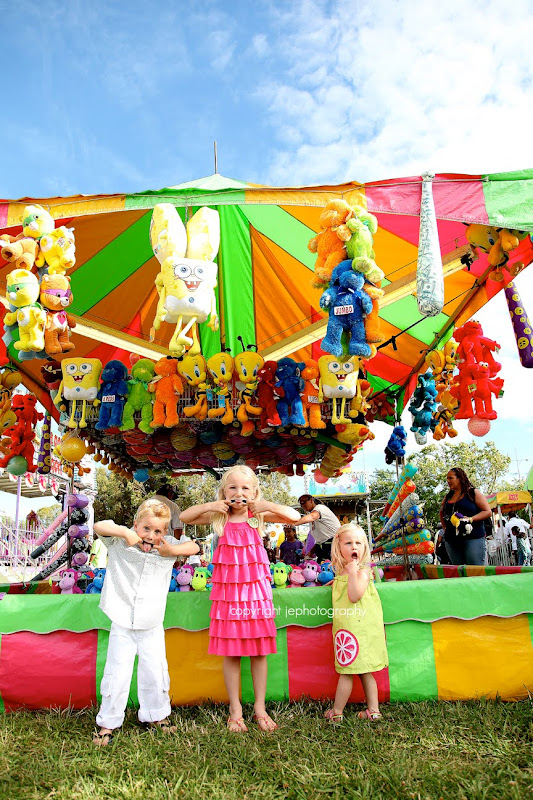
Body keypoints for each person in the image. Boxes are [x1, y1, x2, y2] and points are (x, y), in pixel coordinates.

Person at [180, 465, 299, 733]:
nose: (239, 493)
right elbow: (186, 517)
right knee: (231, 653)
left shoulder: (259, 515)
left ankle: (259, 708)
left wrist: (263, 503)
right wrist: (214, 503)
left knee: (259, 652)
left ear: (254, 492)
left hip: (256, 593)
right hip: (229, 596)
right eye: (232, 487)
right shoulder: (218, 517)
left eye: (245, 488)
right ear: (224, 492)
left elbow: (293, 516)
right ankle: (235, 709)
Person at [92, 498, 199, 746]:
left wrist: (171, 551)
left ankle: (156, 716)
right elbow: (99, 525)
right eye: (146, 529)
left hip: (151, 622)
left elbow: (193, 547)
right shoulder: (120, 541)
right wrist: (124, 533)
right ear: (136, 525)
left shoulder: (166, 547)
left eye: (158, 531)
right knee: (117, 672)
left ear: (166, 533)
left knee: (155, 671)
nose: (151, 535)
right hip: (122, 621)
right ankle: (108, 723)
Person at [324, 523, 388, 723]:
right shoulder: (344, 573)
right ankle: (374, 710)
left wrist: (351, 573)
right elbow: (346, 589)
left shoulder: (362, 571)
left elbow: (354, 595)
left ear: (365, 548)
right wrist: (338, 581)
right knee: (363, 671)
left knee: (348, 671)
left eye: (359, 543)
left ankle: (337, 712)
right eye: (348, 543)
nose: (354, 547)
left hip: (357, 629)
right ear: (338, 547)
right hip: (350, 629)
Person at [440, 468, 492, 566]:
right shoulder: (448, 496)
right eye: (447, 479)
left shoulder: (473, 493)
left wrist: (470, 519)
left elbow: (487, 511)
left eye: (451, 478)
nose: (448, 481)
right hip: (452, 540)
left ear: (459, 478)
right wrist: (445, 528)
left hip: (473, 537)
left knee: (474, 570)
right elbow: (441, 511)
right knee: (458, 571)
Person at [294, 494, 340, 560]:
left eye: (304, 502)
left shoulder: (319, 508)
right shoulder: (312, 517)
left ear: (311, 501)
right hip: (323, 548)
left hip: (333, 545)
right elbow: (319, 540)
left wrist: (293, 523)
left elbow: (312, 516)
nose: (302, 505)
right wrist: (309, 554)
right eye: (301, 504)